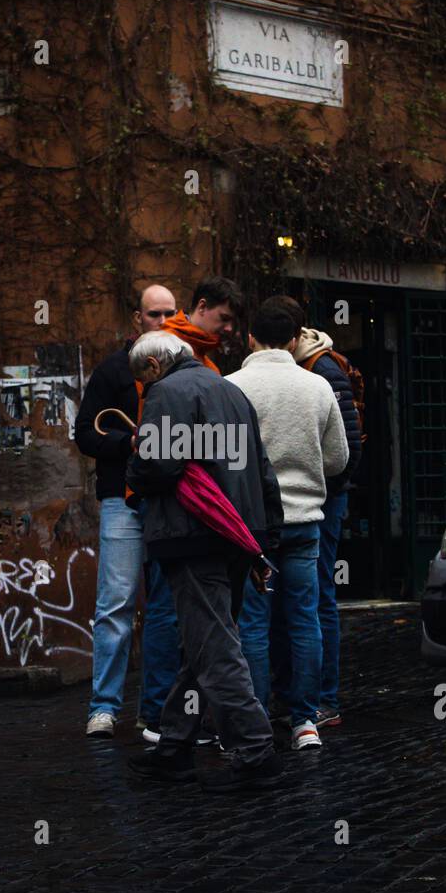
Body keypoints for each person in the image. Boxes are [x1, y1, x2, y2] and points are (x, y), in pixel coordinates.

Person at [125, 331, 285, 793]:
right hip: (237, 535)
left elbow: (157, 465)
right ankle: (175, 748)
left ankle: (256, 752)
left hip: (192, 536)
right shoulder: (230, 390)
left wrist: (131, 464)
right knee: (203, 645)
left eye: (142, 379)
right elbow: (262, 466)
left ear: (155, 365)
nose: (141, 389)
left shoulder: (167, 393)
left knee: (213, 649)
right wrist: (266, 533)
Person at [227, 298, 348, 751]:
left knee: (253, 624)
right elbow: (338, 460)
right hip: (303, 522)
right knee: (304, 619)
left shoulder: (232, 386)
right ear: (296, 339)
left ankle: (256, 718)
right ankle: (305, 721)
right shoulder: (317, 387)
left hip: (250, 526)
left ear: (250, 337)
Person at [74, 285, 181, 738]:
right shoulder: (114, 369)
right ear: (138, 319)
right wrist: (129, 442)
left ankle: (155, 712)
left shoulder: (183, 372)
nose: (162, 321)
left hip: (169, 501)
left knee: (165, 605)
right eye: (154, 314)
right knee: (115, 603)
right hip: (122, 499)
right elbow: (85, 435)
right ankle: (104, 706)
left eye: (170, 314)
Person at [275, 296, 363, 728]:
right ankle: (302, 697)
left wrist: (320, 488)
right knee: (306, 598)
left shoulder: (323, 370)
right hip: (312, 499)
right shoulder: (304, 367)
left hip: (322, 500)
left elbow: (348, 450)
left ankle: (323, 698)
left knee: (319, 596)